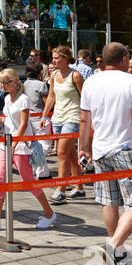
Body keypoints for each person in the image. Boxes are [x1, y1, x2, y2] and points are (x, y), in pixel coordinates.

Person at [78, 43, 132, 265]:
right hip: (128, 147)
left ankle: (117, 249)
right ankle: (114, 245)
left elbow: (84, 119)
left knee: (108, 200)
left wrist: (83, 147)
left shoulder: (91, 81)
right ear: (124, 59)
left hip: (101, 148)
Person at [0, 67, 57, 230]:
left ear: (15, 82)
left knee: (28, 181)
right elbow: (9, 121)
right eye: (1, 82)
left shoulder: (23, 99)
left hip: (19, 145)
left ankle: (49, 213)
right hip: (7, 143)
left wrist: (14, 143)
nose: (3, 85)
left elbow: (24, 124)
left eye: (7, 82)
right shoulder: (6, 99)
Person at [42, 45, 85, 199]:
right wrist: (44, 115)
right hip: (58, 118)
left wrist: (87, 119)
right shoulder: (53, 75)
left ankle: (61, 189)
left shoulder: (76, 76)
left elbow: (85, 98)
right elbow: (51, 96)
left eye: (56, 58)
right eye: (53, 58)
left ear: (66, 59)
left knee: (61, 153)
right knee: (70, 153)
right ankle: (79, 188)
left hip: (73, 117)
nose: (53, 61)